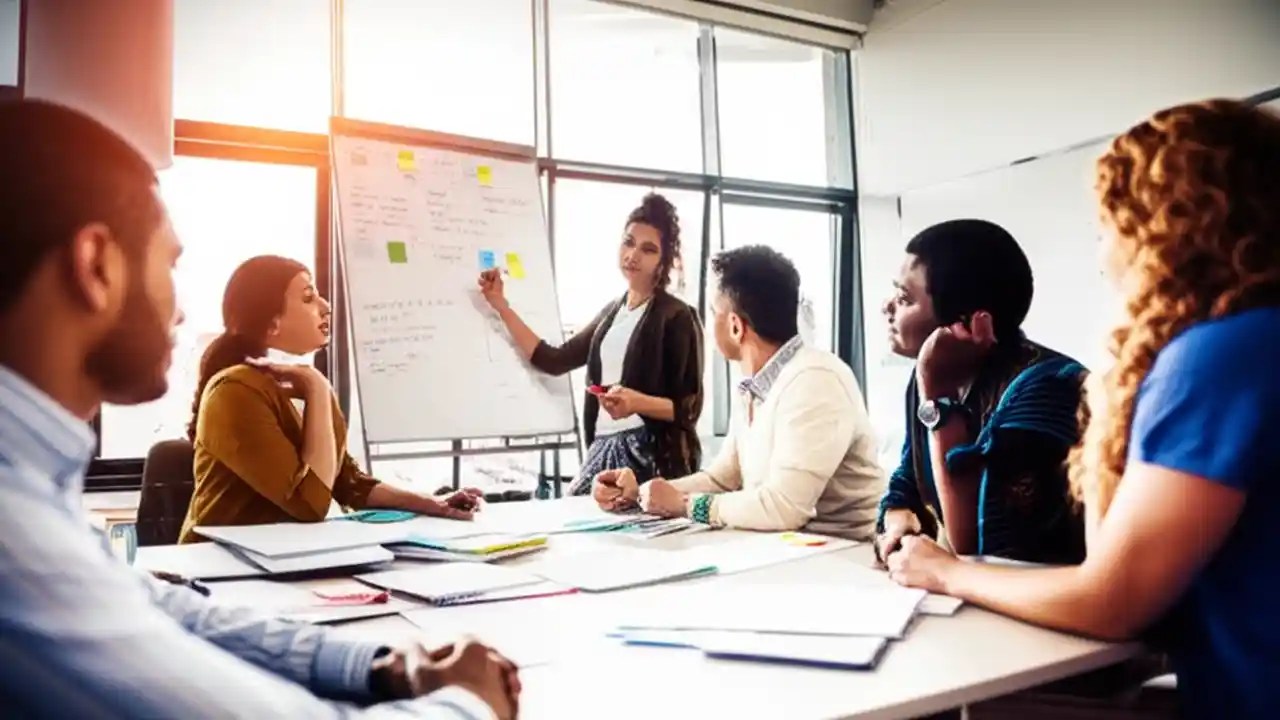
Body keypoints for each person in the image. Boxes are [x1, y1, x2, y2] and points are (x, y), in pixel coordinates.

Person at [0, 99, 518, 718]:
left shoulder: (34, 482)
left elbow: (157, 603)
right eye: (168, 265)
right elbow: (308, 502)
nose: (182, 309)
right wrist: (470, 704)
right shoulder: (15, 531)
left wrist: (374, 664)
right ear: (96, 266)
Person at [886, 100, 1280, 719]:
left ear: (1162, 231)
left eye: (1109, 226)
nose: (1101, 256)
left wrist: (943, 574)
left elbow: (1113, 597)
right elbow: (904, 489)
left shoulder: (1221, 356)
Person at [179, 255, 482, 543]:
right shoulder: (235, 391)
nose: (326, 306)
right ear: (271, 323)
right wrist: (317, 388)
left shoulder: (301, 384)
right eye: (308, 298)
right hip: (218, 570)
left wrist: (434, 504)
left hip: (283, 560)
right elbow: (310, 504)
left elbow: (349, 483)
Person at [594, 246, 884, 540]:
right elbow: (723, 479)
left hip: (844, 558)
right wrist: (643, 492)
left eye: (712, 313)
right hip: (784, 551)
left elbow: (784, 507)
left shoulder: (816, 380)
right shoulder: (754, 385)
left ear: (735, 326)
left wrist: (684, 504)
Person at [875, 219, 1087, 564]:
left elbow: (980, 549)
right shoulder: (927, 375)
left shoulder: (1047, 391)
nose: (887, 307)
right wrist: (898, 521)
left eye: (904, 298)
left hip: (1043, 599)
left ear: (968, 322)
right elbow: (907, 479)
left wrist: (939, 397)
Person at [478, 193, 703, 495]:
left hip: (651, 455)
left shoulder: (677, 316)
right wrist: (501, 306)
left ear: (664, 261)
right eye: (628, 242)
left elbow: (688, 408)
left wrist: (635, 402)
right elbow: (553, 360)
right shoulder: (613, 312)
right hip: (602, 446)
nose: (633, 255)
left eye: (648, 250)